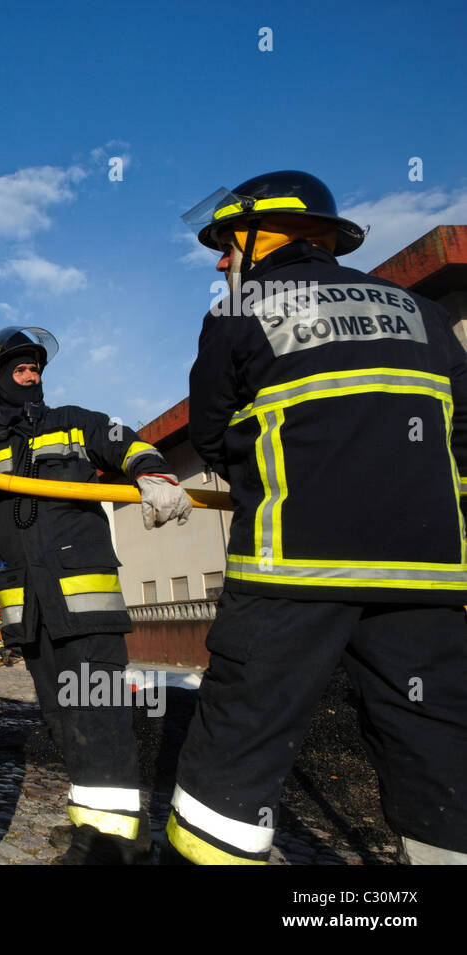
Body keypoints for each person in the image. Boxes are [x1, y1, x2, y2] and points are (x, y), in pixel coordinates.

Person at [171, 170, 467, 864]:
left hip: (294, 564)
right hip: (425, 572)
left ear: (258, 232)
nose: (221, 260)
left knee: (240, 738)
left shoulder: (240, 309)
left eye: (225, 243)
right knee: (435, 743)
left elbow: (212, 431)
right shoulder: (417, 311)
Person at [0, 326, 191, 863]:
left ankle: (117, 845)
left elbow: (128, 442)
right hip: (31, 609)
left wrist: (154, 473)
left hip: (84, 602)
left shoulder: (75, 421)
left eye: (35, 367)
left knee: (98, 710)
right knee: (62, 714)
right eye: (19, 368)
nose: (32, 374)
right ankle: (92, 827)